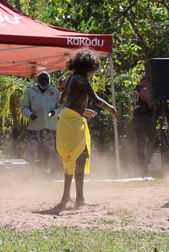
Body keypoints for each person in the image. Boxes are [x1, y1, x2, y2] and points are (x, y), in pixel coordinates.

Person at [49, 49, 117, 212]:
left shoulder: (72, 78)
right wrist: (110, 107)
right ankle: (77, 199)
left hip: (67, 119)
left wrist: (80, 110)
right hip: (73, 122)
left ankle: (70, 198)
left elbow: (63, 100)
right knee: (80, 157)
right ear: (89, 66)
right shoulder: (82, 80)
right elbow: (96, 100)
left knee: (71, 158)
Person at [21, 71, 62, 173]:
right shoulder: (30, 91)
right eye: (41, 79)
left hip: (50, 128)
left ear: (49, 80)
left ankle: (48, 172)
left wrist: (55, 112)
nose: (44, 81)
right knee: (32, 151)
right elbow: (24, 107)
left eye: (46, 79)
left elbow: (62, 107)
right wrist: (30, 114)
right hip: (34, 128)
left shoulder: (55, 92)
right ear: (37, 80)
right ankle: (32, 172)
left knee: (50, 152)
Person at [131, 76, 156, 176]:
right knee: (153, 141)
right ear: (146, 81)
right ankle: (145, 164)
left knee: (140, 143)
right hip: (145, 118)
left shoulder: (134, 91)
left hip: (136, 118)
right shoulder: (143, 89)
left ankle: (143, 166)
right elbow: (150, 104)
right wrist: (154, 105)